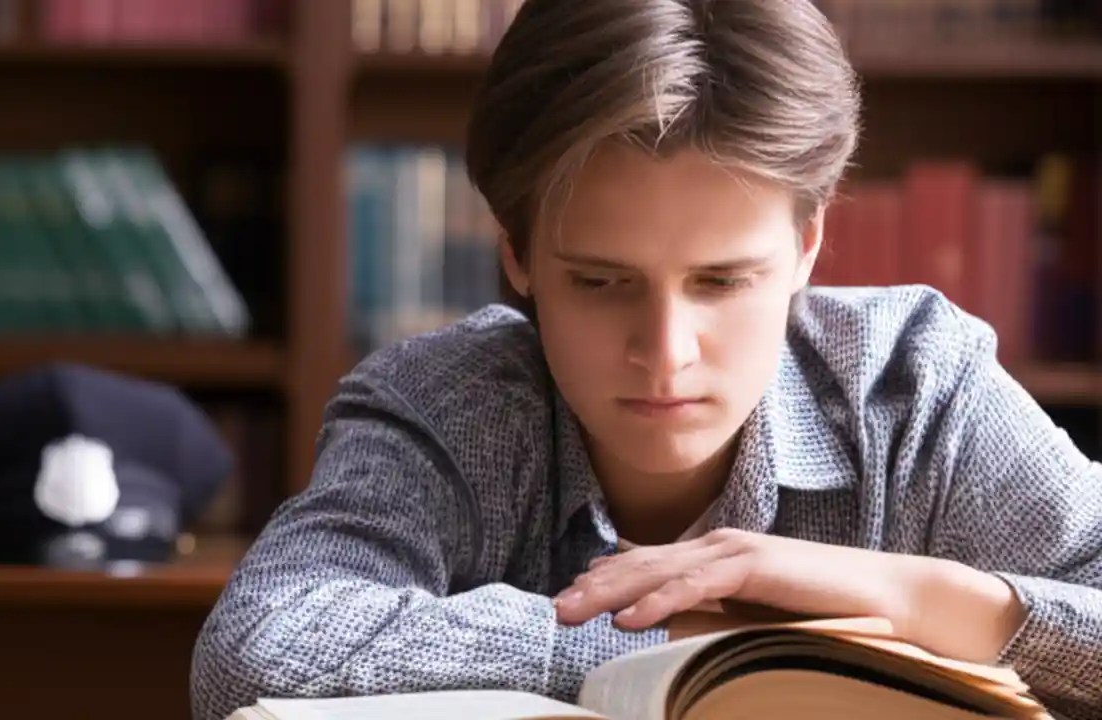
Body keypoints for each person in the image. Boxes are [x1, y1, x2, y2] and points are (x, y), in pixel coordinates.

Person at [191, 1, 1102, 718]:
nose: (665, 354)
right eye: (599, 282)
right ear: (518, 254)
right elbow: (257, 646)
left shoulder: (913, 386)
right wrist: (688, 637)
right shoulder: (447, 404)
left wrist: (914, 596)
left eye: (722, 281)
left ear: (807, 247)